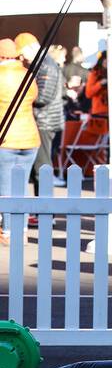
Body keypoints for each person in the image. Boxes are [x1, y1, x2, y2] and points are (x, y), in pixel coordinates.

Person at [0, 39, 40, 245]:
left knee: (6, 187)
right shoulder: (28, 74)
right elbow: (34, 96)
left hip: (6, 137)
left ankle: (7, 231)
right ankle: (22, 229)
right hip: (30, 136)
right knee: (22, 185)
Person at [16, 35, 65, 190]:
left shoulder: (45, 65)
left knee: (42, 166)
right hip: (44, 120)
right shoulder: (43, 63)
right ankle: (42, 209)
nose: (21, 57)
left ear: (31, 48)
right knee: (40, 166)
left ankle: (44, 209)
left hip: (44, 121)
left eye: (22, 52)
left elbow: (43, 96)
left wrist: (21, 97)